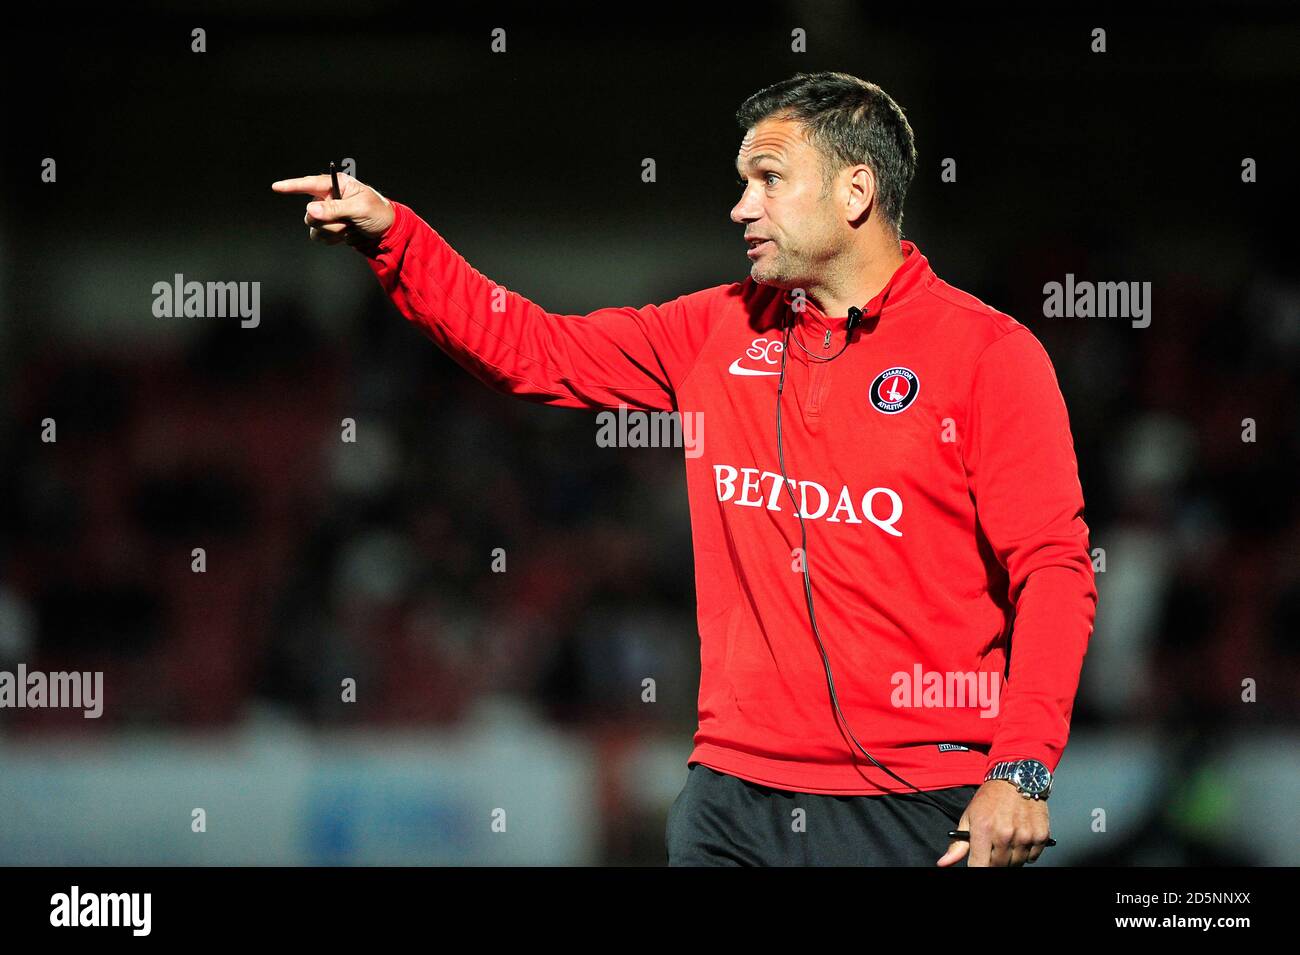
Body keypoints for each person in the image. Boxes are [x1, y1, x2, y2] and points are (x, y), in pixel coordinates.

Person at [271, 71, 1097, 867]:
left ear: (855, 193)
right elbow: (533, 349)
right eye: (743, 181)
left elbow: (1054, 571)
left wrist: (1021, 767)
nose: (742, 207)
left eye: (768, 179)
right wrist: (396, 239)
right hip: (732, 796)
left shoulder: (990, 357)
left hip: (920, 799)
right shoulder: (714, 330)